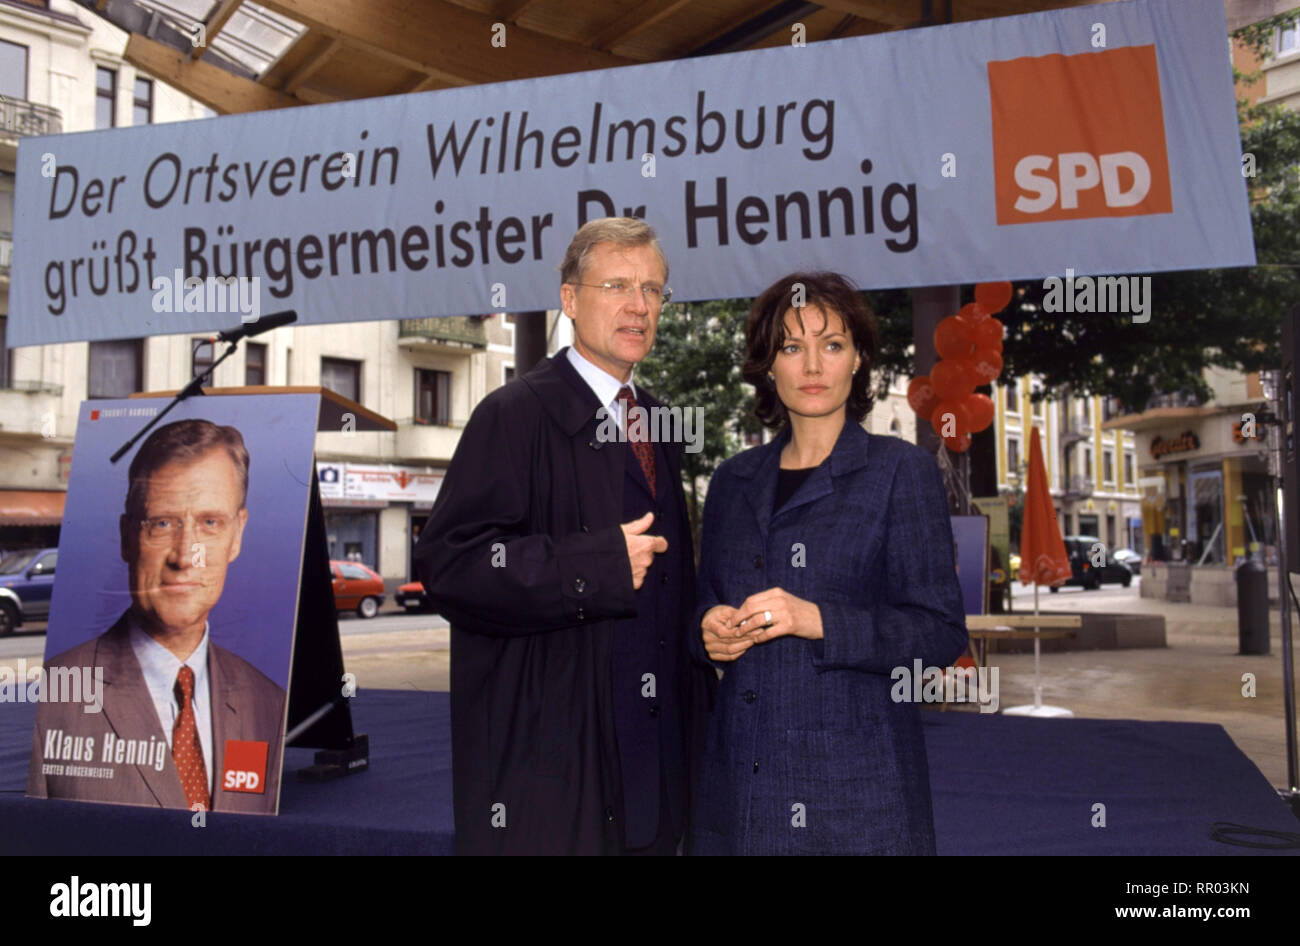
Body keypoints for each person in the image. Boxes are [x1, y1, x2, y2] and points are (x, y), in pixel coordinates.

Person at [414, 216, 716, 855]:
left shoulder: (659, 422)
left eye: (654, 289)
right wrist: (595, 565)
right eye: (617, 286)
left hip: (657, 780)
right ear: (570, 299)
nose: (639, 306)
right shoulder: (513, 414)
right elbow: (451, 566)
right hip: (558, 780)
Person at [691, 271, 968, 855]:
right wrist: (706, 631)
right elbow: (701, 604)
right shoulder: (732, 481)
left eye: (832, 345)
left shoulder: (900, 472)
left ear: (858, 359)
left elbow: (939, 633)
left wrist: (817, 619)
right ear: (769, 365)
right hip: (738, 792)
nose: (812, 366)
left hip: (858, 799)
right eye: (793, 347)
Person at [28, 419, 286, 814]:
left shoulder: (269, 704)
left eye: (209, 523)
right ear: (127, 537)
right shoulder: (51, 700)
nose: (184, 556)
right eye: (162, 523)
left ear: (237, 535)